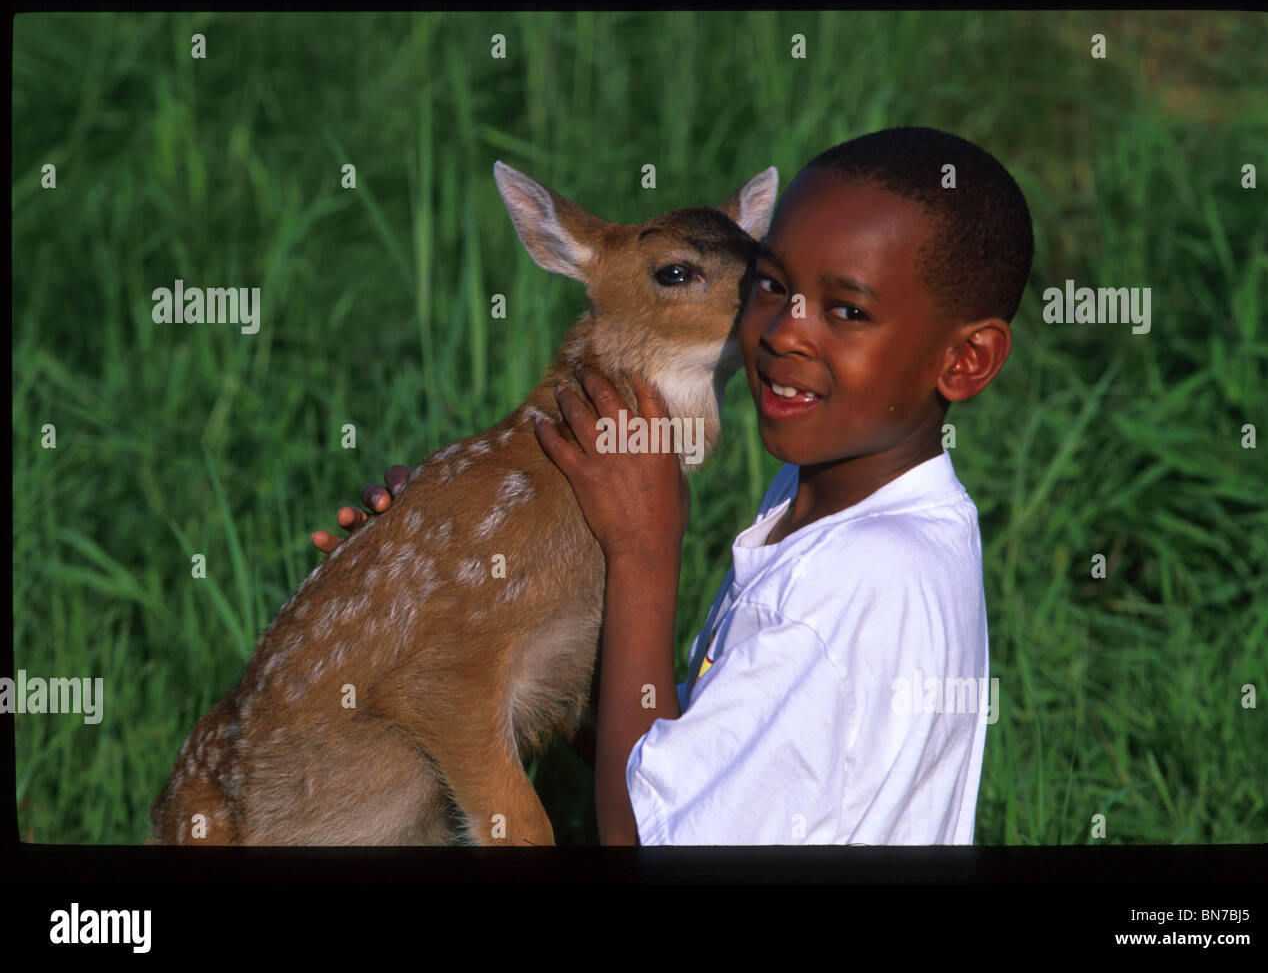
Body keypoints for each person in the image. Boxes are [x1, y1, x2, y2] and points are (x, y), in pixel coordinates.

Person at [314, 128, 1033, 845]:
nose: (781, 330)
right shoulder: (822, 502)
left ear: (966, 361)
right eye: (772, 286)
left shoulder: (863, 580)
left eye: (847, 311)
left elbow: (646, 832)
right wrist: (435, 587)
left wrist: (643, 554)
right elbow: (697, 756)